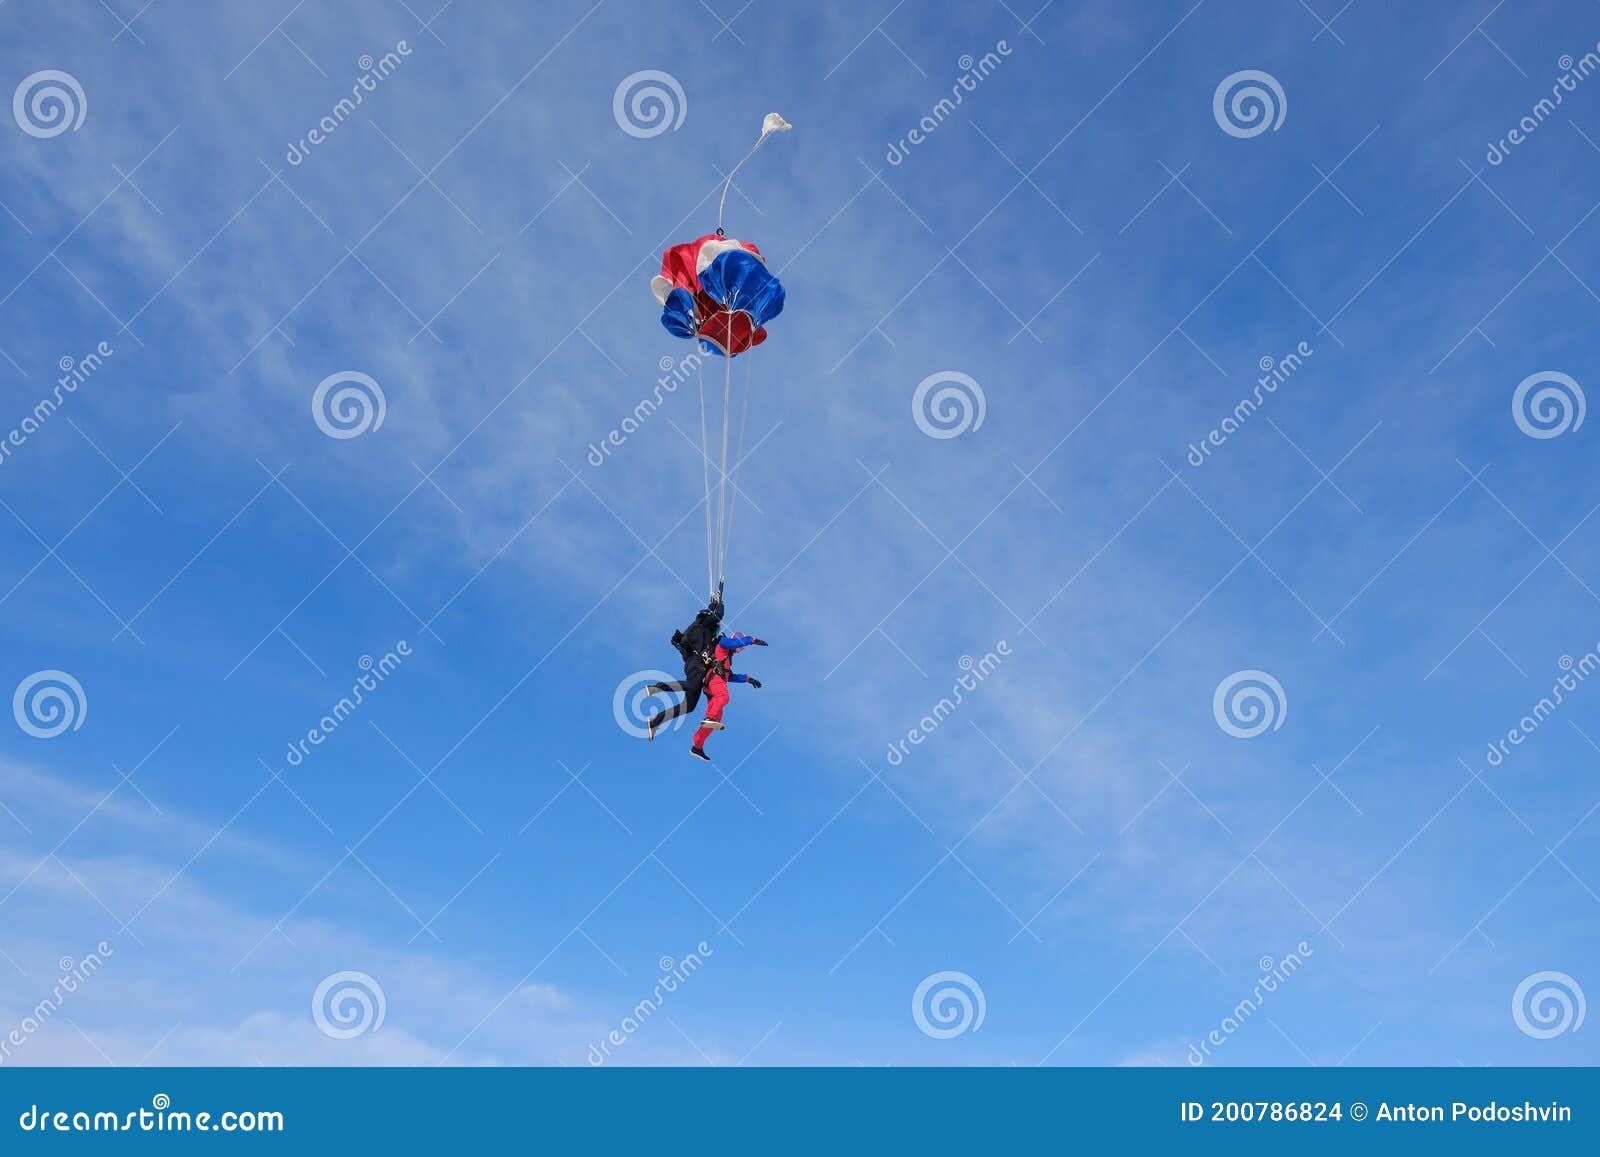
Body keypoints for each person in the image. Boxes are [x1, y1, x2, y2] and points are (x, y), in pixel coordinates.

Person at [646, 592, 725, 739]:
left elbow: (712, 615)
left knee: (689, 706)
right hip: (695, 664)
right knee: (694, 686)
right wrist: (721, 604)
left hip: (694, 666)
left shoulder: (699, 626)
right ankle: (656, 688)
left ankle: (655, 721)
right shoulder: (701, 625)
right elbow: (717, 616)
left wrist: (714, 604)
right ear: (705, 618)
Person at [690, 631, 766, 761]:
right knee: (724, 697)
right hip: (714, 680)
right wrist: (752, 640)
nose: (742, 649)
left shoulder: (727, 657)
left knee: (717, 717)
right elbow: (736, 643)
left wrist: (748, 679)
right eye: (741, 647)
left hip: (715, 683)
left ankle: (697, 747)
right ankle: (710, 717)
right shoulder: (724, 643)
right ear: (737, 640)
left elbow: (729, 676)